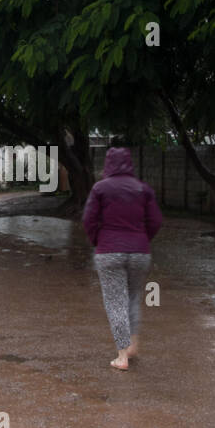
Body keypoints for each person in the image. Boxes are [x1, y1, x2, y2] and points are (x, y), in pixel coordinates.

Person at [81, 147, 163, 369]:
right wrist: (143, 240)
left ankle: (122, 357)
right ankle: (133, 345)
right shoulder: (142, 189)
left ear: (108, 164)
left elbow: (88, 220)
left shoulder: (100, 188)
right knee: (134, 298)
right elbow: (156, 221)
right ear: (129, 164)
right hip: (140, 253)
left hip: (109, 252)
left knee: (115, 302)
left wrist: (98, 240)